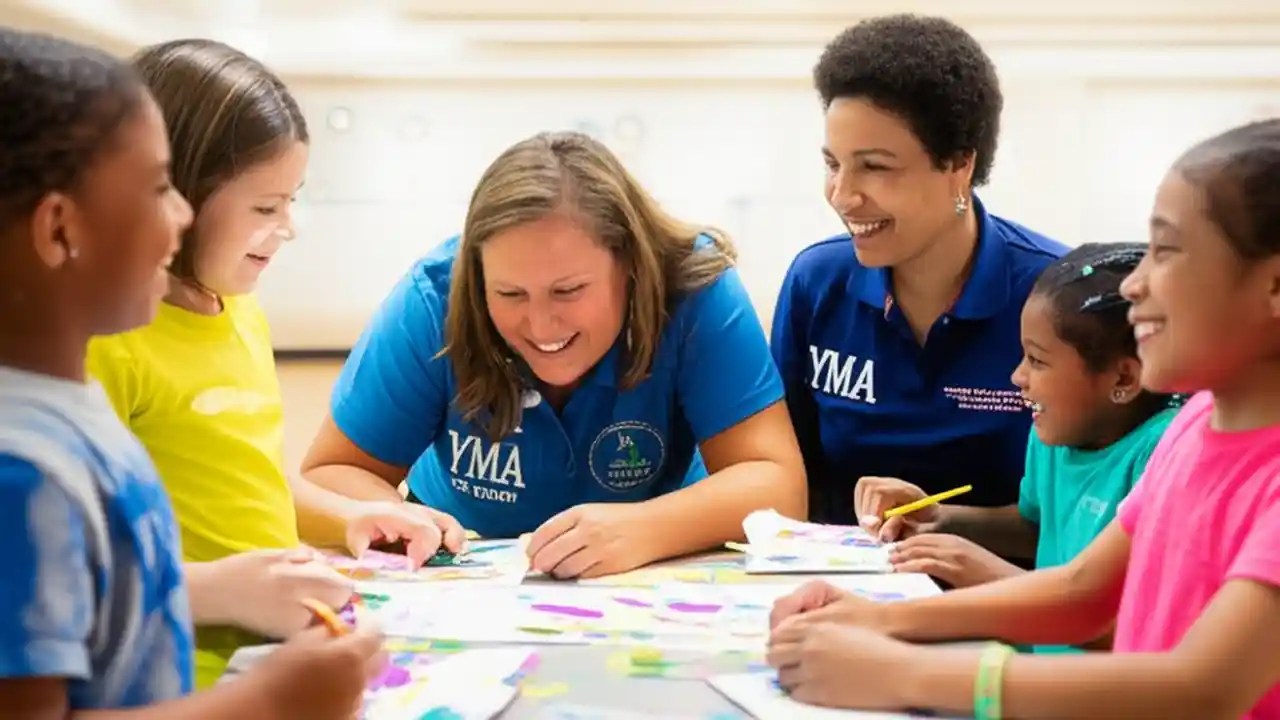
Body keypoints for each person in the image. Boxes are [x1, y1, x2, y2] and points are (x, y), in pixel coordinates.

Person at [766, 118, 1280, 718]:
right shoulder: (1197, 427)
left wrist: (903, 673)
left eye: (1165, 252)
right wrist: (876, 618)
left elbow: (1203, 689)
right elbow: (1080, 592)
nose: (1135, 286)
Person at [0, 26, 382, 717]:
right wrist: (267, 702)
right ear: (59, 228)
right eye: (157, 188)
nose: (180, 213)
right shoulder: (26, 470)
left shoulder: (73, 416)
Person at [296, 130, 807, 579]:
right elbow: (329, 475)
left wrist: (646, 528)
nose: (541, 326)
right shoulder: (434, 300)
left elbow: (779, 488)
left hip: (655, 556)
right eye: (510, 294)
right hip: (465, 556)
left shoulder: (693, 287)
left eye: (568, 291)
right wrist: (399, 518)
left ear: (632, 266)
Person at [85, 39, 434, 688]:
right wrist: (222, 592)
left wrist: (348, 517)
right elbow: (61, 568)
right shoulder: (105, 340)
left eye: (292, 199)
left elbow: (245, 482)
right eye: (266, 207)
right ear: (176, 194)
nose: (289, 226)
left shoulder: (239, 311)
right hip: (168, 676)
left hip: (266, 654)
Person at [771, 14, 1069, 526]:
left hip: (1005, 576)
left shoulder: (1053, 293)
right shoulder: (815, 284)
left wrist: (942, 523)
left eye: (875, 166)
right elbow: (782, 473)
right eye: (833, 164)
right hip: (834, 570)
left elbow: (1078, 514)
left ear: (959, 165)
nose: (842, 195)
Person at [857, 245, 1180, 650]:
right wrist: (940, 520)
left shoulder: (1165, 454)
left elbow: (1140, 628)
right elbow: (1036, 527)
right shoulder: (1055, 436)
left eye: (1037, 361)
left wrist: (985, 573)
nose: (1017, 377)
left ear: (1123, 379)